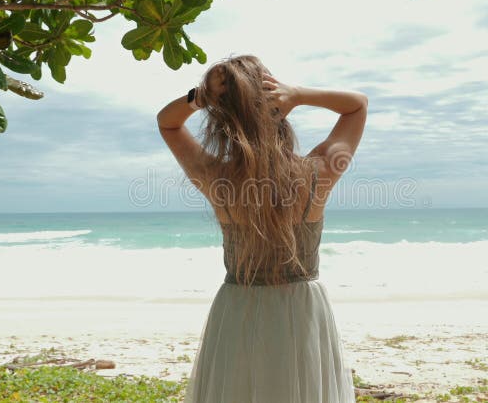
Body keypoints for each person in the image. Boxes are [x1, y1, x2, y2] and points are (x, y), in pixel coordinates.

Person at [157, 54, 368, 403]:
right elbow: (357, 106)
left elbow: (167, 123)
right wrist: (299, 94)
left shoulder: (216, 179)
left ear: (222, 119)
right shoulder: (317, 174)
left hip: (238, 310)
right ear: (279, 109)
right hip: (302, 313)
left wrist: (199, 97)